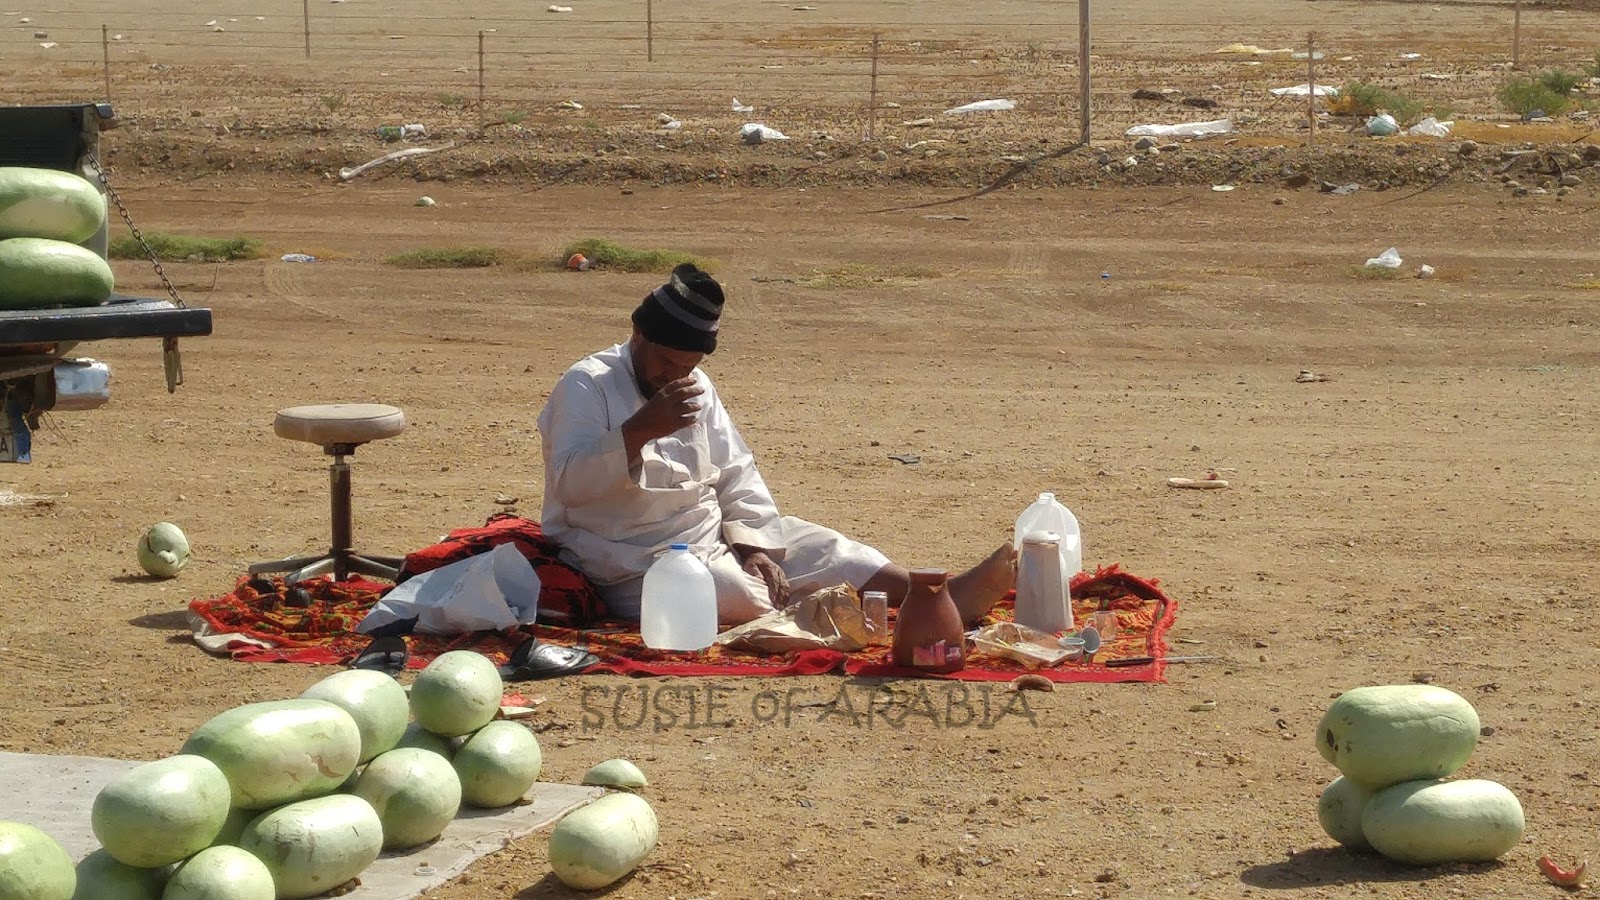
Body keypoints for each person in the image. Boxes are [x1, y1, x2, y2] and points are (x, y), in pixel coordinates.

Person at [536, 263, 1017, 627]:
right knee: (733, 591)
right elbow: (570, 485)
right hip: (625, 558)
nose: (675, 376)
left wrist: (754, 547)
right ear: (637, 333)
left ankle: (938, 595)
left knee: (827, 550)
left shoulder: (695, 386)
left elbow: (735, 471)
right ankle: (827, 617)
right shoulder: (588, 384)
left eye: (687, 366)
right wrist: (639, 430)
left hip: (710, 536)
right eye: (666, 362)